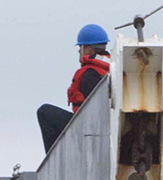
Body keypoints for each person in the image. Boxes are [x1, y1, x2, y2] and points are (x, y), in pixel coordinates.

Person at [38, 23, 112, 151]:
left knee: (44, 112)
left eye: (80, 47)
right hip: (101, 128)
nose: (79, 51)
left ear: (88, 49)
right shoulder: (110, 69)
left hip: (89, 130)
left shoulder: (89, 75)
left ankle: (53, 156)